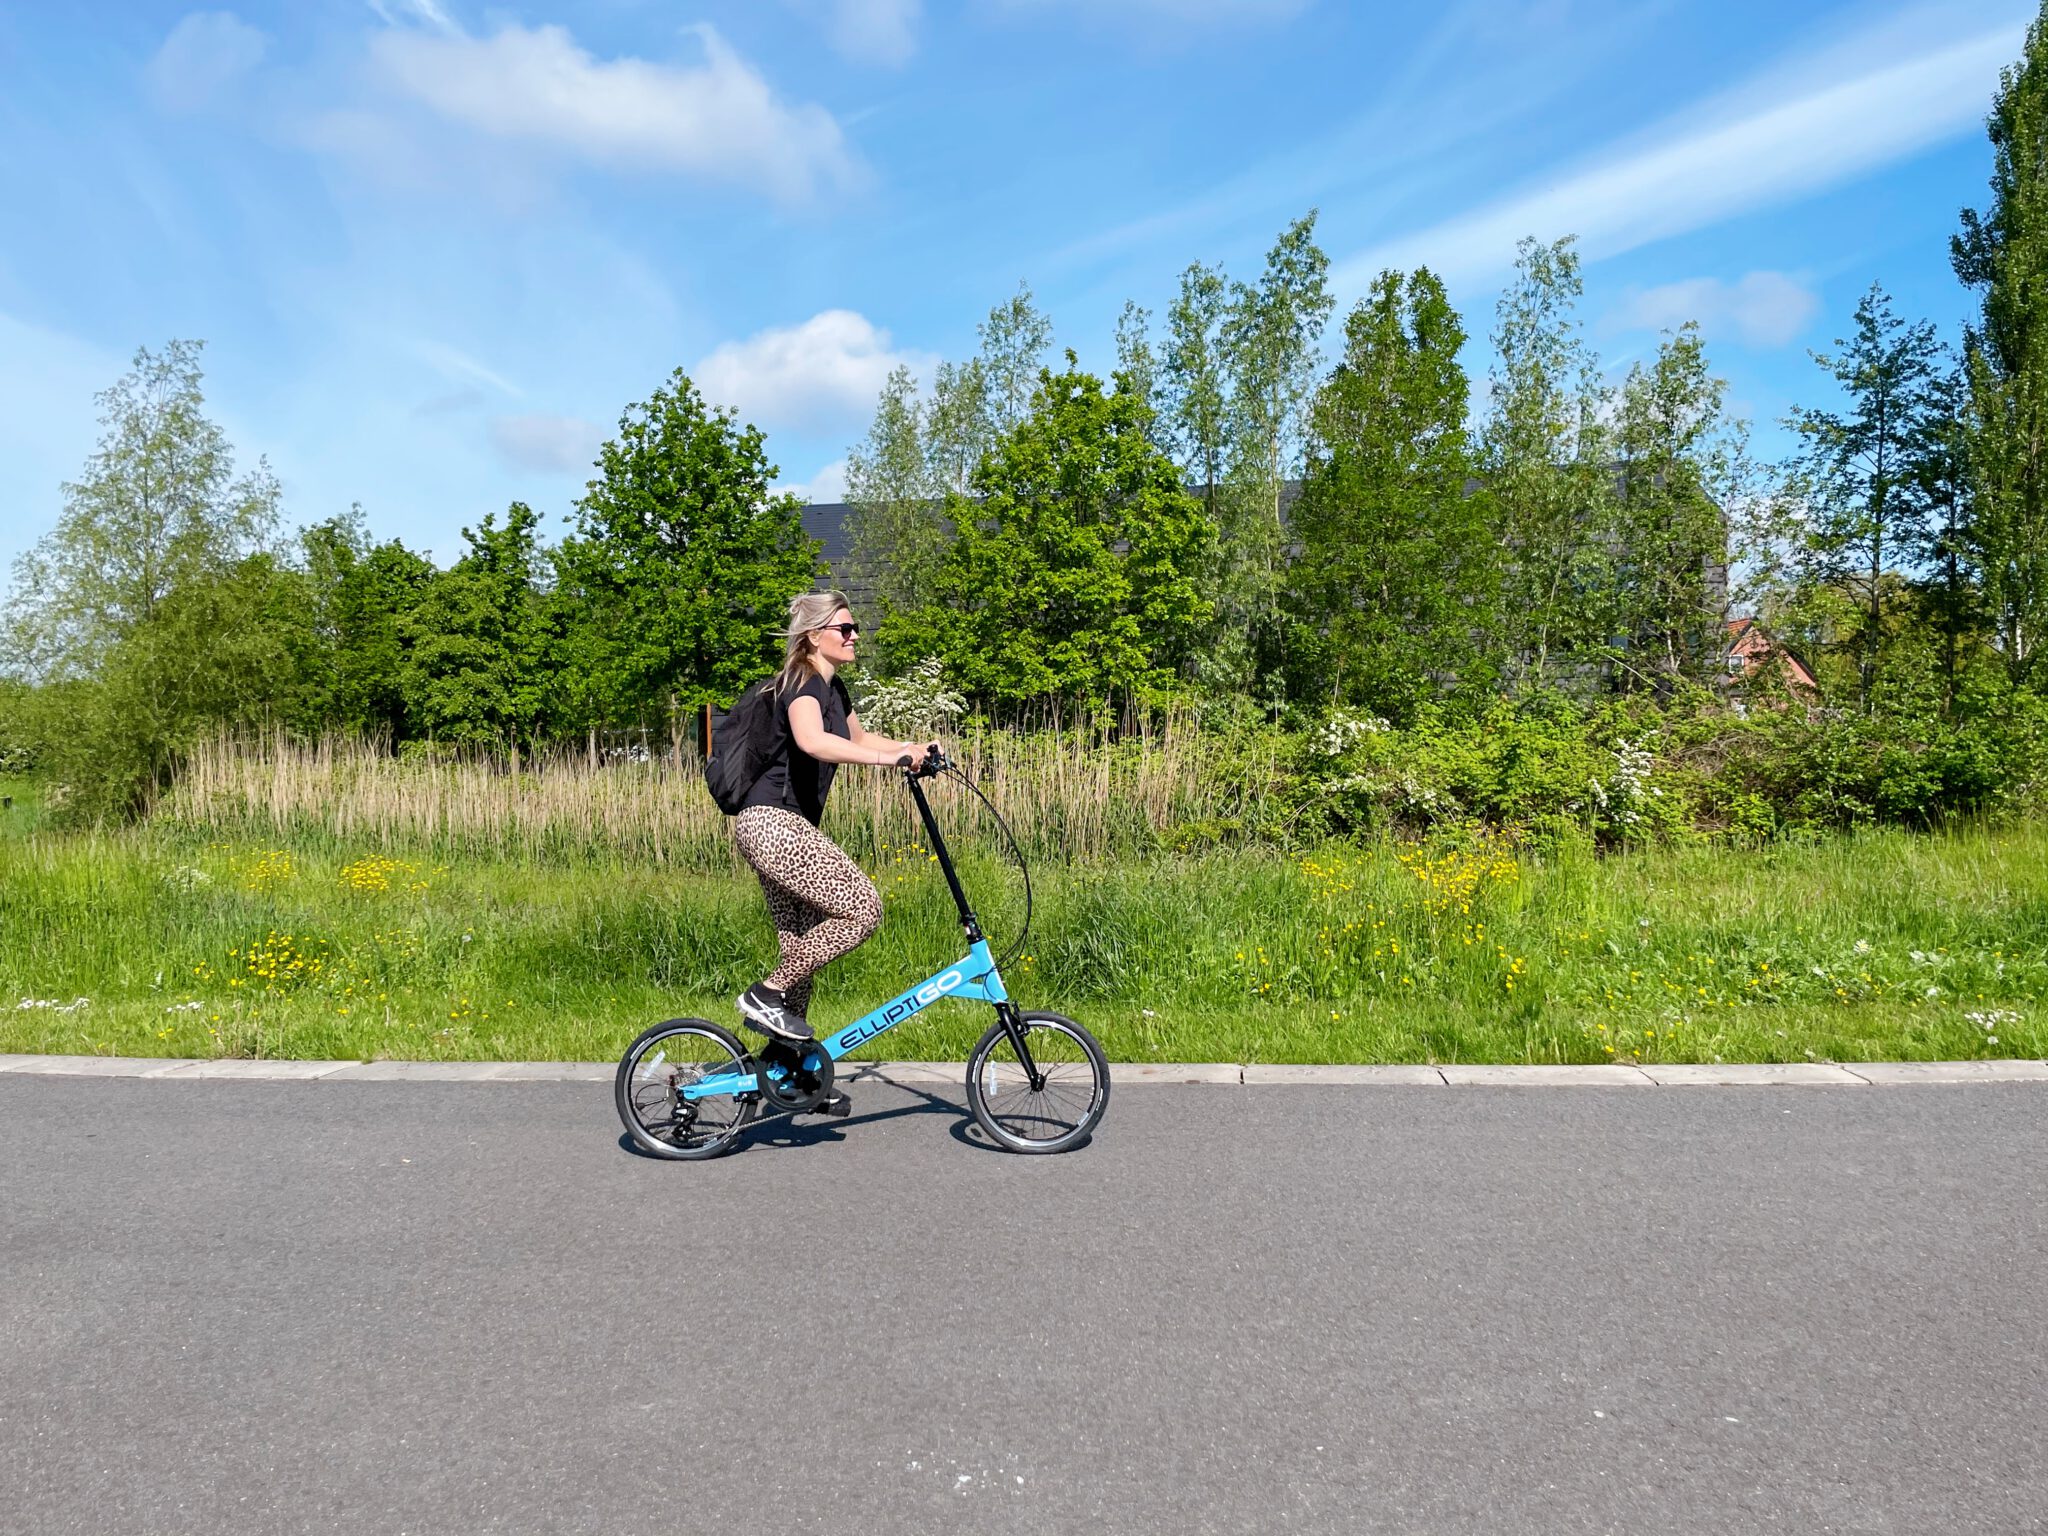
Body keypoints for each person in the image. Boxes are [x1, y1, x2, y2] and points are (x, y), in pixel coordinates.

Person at [733, 590, 940, 1043]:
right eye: (844, 629)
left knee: (800, 951)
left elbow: (860, 739)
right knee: (861, 910)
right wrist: (892, 762)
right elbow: (813, 742)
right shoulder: (801, 682)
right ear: (813, 635)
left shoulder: (832, 688)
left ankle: (790, 1072)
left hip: (782, 827)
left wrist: (910, 748)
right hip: (772, 824)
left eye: (855, 628)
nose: (854, 636)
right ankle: (763, 994)